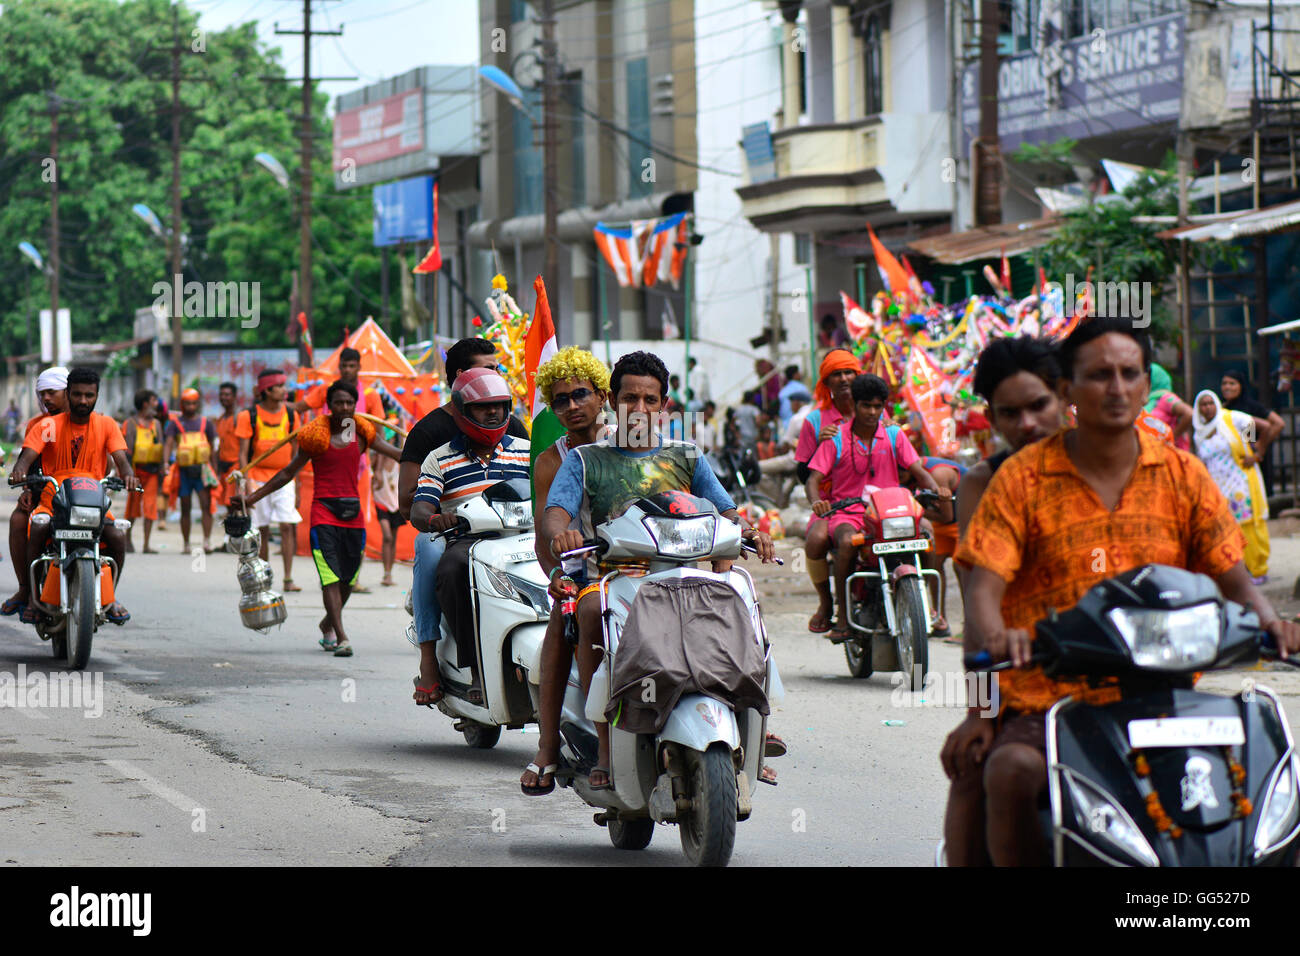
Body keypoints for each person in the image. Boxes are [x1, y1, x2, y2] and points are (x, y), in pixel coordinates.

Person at [944, 317, 1300, 867]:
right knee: (1010, 771)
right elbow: (983, 589)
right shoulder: (1017, 481)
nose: (1115, 388)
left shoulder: (1183, 474)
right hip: (1049, 696)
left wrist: (1272, 622)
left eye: (1128, 373)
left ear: (1145, 384)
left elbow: (1233, 575)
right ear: (1070, 389)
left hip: (1167, 692)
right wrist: (990, 654)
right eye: (1098, 375)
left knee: (1268, 770)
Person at [542, 351, 777, 789]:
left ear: (665, 405)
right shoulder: (586, 459)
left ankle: (753, 725)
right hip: (612, 579)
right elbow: (556, 511)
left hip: (685, 577)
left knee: (743, 604)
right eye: (631, 398)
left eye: (651, 400)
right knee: (589, 614)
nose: (641, 409)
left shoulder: (686, 455)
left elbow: (727, 511)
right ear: (612, 400)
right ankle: (606, 743)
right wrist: (562, 534)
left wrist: (750, 533)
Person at [240, 381, 402, 657]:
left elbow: (398, 454)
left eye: (350, 402)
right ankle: (341, 636)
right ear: (329, 406)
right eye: (339, 403)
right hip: (323, 513)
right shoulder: (315, 436)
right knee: (330, 577)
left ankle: (327, 621)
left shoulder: (361, 432)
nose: (345, 408)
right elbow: (286, 474)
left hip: (353, 515)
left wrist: (428, 451)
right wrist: (249, 499)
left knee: (348, 580)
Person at [399, 338, 530, 662]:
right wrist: (439, 517)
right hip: (456, 531)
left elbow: (536, 484)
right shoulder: (431, 439)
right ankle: (430, 652)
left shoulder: (516, 435)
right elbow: (409, 501)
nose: (492, 413)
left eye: (499, 405)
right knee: (433, 552)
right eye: (487, 369)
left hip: (515, 529)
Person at [519, 347, 611, 796]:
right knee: (563, 624)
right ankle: (548, 746)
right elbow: (545, 529)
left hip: (645, 563)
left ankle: (749, 721)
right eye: (560, 401)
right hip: (585, 571)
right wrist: (559, 573)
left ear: (602, 395)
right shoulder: (551, 462)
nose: (571, 406)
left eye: (580, 395)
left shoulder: (635, 443)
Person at [806, 373, 946, 642]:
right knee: (846, 542)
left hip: (892, 511)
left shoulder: (893, 434)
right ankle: (844, 616)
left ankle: (927, 604)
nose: (872, 412)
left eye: (878, 406)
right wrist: (817, 502)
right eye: (866, 406)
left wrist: (934, 489)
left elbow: (918, 470)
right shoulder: (836, 438)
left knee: (927, 532)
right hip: (849, 513)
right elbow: (813, 479)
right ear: (855, 405)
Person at [8, 367, 139, 625]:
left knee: (117, 537)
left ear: (97, 396)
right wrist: (20, 470)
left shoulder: (107, 425)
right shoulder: (48, 425)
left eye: (89, 395)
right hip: (53, 497)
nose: (82, 401)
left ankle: (109, 596)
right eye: (77, 394)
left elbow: (121, 459)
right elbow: (28, 456)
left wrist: (129, 475)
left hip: (93, 498)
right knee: (36, 529)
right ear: (69, 394)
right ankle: (34, 597)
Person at [794, 349, 861, 633]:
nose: (844, 379)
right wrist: (819, 446)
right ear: (826, 382)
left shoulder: (872, 409)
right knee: (816, 540)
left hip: (866, 497)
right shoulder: (814, 421)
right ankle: (826, 602)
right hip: (829, 502)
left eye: (849, 372)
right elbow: (802, 474)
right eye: (837, 374)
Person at [2, 367, 70, 621]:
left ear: (67, 392)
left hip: (81, 497)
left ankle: (107, 595)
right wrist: (27, 488)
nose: (47, 399)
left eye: (52, 393)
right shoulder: (37, 424)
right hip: (45, 493)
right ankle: (25, 589)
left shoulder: (88, 422)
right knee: (19, 520)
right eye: (42, 394)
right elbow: (29, 462)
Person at [1193, 389, 1272, 584]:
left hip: (1239, 483)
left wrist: (1254, 450)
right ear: (1198, 409)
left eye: (1211, 403)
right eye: (1203, 404)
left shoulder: (1230, 419)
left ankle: (1258, 570)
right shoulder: (1199, 434)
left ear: (1217, 404)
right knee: (1226, 530)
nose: (1208, 407)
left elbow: (1258, 425)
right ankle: (1239, 571)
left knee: (1247, 526)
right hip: (1218, 488)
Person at [235, 369, 303, 591]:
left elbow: (296, 451)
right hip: (256, 478)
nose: (285, 390)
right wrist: (244, 482)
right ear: (267, 390)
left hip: (284, 479)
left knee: (286, 525)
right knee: (261, 529)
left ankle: (288, 578)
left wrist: (297, 481)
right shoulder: (248, 416)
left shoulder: (292, 415)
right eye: (280, 386)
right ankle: (263, 575)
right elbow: (243, 453)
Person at [909, 454, 963, 637]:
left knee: (961, 566)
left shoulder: (937, 475)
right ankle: (940, 620)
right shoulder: (915, 471)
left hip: (966, 518)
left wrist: (915, 508)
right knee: (933, 565)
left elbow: (946, 516)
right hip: (944, 524)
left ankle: (972, 626)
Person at [164, 388, 218, 553]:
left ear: (198, 404)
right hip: (184, 471)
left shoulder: (205, 423)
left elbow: (213, 447)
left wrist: (215, 470)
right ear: (182, 404)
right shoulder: (175, 423)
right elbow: (169, 444)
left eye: (194, 403)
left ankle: (206, 542)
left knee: (206, 506)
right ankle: (186, 544)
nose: (190, 406)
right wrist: (166, 463)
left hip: (202, 470)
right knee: (185, 507)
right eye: (187, 403)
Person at [1220, 369, 1284, 492]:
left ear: (1241, 386)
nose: (1227, 387)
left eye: (1232, 383)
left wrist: (1259, 447)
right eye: (1224, 383)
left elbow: (1278, 423)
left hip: (1252, 463)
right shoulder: (1223, 408)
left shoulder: (1250, 407)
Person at [123, 388, 163, 553]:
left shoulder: (157, 424)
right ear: (145, 403)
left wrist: (162, 469)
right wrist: (127, 475)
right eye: (154, 400)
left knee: (150, 506)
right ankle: (128, 539)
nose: (156, 404)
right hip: (136, 473)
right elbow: (126, 451)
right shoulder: (130, 424)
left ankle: (146, 544)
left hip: (152, 472)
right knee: (132, 507)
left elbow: (159, 447)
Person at [371, 406, 404, 587]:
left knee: (393, 538)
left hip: (395, 503)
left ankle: (388, 573)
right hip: (382, 502)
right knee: (387, 537)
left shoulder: (400, 460)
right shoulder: (378, 461)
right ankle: (386, 571)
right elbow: (374, 482)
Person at [1144, 363, 1193, 451]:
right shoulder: (1148, 399)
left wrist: (1171, 438)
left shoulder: (1166, 398)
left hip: (1169, 453)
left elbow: (1189, 414)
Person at [213, 382, 241, 516]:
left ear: (235, 397)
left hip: (236, 467)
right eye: (221, 394)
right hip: (223, 468)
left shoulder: (239, 418)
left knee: (237, 504)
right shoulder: (219, 420)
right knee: (228, 505)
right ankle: (232, 534)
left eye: (227, 395)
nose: (224, 397)